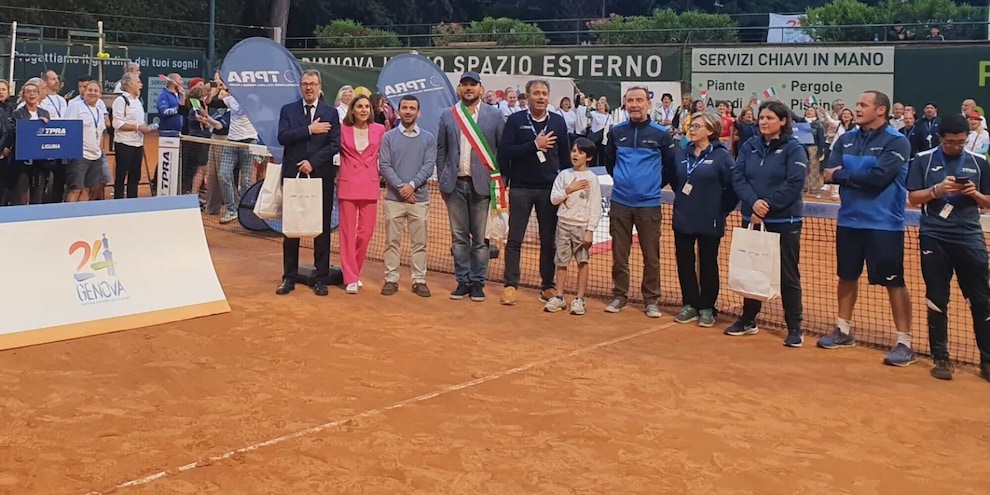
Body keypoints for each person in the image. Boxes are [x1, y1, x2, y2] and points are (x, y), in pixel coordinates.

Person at [821, 90, 915, 366]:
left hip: (885, 224)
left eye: (864, 104)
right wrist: (845, 176)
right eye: (858, 104)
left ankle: (904, 342)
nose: (858, 108)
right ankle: (843, 330)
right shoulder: (846, 139)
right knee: (847, 276)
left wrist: (842, 175)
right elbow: (828, 172)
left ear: (881, 110)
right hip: (849, 220)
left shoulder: (897, 142)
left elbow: (878, 178)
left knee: (893, 282)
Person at [906, 115, 990, 382]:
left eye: (961, 142)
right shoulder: (923, 160)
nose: (956, 146)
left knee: (982, 299)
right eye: (950, 142)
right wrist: (937, 190)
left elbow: (988, 202)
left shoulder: (979, 162)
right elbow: (913, 198)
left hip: (970, 238)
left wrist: (975, 194)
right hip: (934, 237)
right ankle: (941, 358)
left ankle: (987, 360)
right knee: (937, 297)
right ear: (940, 138)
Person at [729, 100, 808, 346]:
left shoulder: (794, 148)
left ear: (783, 121)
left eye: (770, 118)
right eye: (762, 117)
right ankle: (748, 320)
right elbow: (738, 176)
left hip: (785, 220)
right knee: (753, 270)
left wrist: (767, 205)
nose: (764, 122)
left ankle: (794, 327)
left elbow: (794, 182)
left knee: (788, 274)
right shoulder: (749, 145)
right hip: (752, 217)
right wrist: (754, 203)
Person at [603, 86, 676, 318]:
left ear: (648, 104)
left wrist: (651, 186)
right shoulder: (616, 132)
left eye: (639, 100)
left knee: (651, 256)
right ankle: (619, 295)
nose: (635, 105)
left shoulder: (661, 134)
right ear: (625, 104)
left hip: (649, 204)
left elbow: (670, 166)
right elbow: (610, 163)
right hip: (620, 202)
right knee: (619, 255)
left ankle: (651, 300)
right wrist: (623, 182)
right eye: (630, 101)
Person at [498, 79, 570, 306]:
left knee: (549, 241)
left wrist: (566, 185)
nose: (541, 97)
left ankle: (547, 286)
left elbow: (566, 158)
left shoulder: (558, 121)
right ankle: (510, 285)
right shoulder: (515, 120)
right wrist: (534, 145)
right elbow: (505, 152)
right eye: (536, 93)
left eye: (544, 93)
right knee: (514, 239)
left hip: (549, 190)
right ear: (527, 97)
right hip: (520, 188)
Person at [436, 71, 505, 302]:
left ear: (480, 89)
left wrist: (501, 182)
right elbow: (442, 149)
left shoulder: (495, 115)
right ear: (459, 89)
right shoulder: (448, 115)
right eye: (464, 84)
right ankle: (463, 281)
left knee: (481, 239)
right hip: (455, 185)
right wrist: (443, 178)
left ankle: (477, 282)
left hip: (483, 186)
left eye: (472, 85)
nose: (468, 88)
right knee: (458, 238)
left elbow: (501, 151)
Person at [275, 70, 340, 297]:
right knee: (292, 228)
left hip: (321, 178)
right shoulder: (288, 110)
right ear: (300, 86)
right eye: (305, 84)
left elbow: (334, 144)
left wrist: (312, 163)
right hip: (293, 176)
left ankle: (321, 278)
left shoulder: (331, 113)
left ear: (320, 86)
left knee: (322, 228)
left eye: (312, 84)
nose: (309, 88)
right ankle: (289, 277)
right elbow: (282, 137)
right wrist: (309, 130)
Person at [671, 112, 738, 328]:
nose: (691, 129)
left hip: (711, 219)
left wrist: (721, 209)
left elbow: (733, 188)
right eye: (691, 126)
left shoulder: (722, 157)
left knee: (708, 263)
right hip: (683, 217)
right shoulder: (682, 154)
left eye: (697, 126)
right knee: (685, 263)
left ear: (710, 131)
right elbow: (676, 181)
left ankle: (707, 307)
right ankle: (690, 304)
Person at [378, 95, 436, 297]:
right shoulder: (388, 137)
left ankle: (419, 280)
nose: (408, 111)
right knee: (392, 242)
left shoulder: (428, 138)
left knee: (419, 243)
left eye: (412, 108)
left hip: (419, 199)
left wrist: (411, 186)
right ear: (398, 111)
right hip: (394, 199)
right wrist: (402, 188)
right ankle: (391, 279)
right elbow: (384, 165)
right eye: (405, 108)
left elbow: (428, 166)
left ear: (418, 112)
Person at [544, 137, 602, 315]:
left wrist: (590, 231)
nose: (575, 155)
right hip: (563, 225)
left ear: (589, 157)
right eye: (574, 151)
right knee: (561, 262)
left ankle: (580, 299)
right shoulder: (564, 175)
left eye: (580, 152)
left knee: (582, 262)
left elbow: (595, 206)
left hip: (582, 227)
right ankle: (559, 297)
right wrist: (569, 189)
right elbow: (554, 199)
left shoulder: (592, 179)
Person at [335, 94, 386, 295]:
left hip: (369, 185)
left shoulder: (380, 129)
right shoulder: (342, 129)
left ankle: (353, 271)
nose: (364, 110)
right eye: (359, 106)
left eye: (366, 106)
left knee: (365, 234)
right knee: (347, 234)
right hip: (348, 184)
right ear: (353, 110)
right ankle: (351, 277)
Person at [4, 82, 52, 205]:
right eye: (28, 92)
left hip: (39, 162)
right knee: (19, 195)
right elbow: (16, 133)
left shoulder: (45, 113)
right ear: (23, 95)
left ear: (39, 95)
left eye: (34, 91)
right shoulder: (17, 113)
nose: (31, 94)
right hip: (22, 161)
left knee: (37, 194)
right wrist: (35, 124)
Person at [64, 80, 107, 202]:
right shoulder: (75, 107)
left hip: (96, 156)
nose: (93, 93)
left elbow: (101, 132)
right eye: (90, 90)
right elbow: (68, 128)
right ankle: (69, 213)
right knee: (75, 189)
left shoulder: (99, 111)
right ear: (84, 92)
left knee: (87, 189)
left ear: (100, 94)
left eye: (96, 91)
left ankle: (82, 213)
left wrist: (100, 151)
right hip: (80, 156)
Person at [111, 73, 152, 199]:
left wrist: (145, 127)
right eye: (138, 82)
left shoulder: (138, 101)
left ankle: (132, 202)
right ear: (130, 84)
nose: (141, 85)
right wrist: (138, 127)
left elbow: (139, 123)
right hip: (124, 144)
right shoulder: (120, 101)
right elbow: (117, 123)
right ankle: (118, 202)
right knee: (121, 176)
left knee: (135, 176)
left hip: (138, 144)